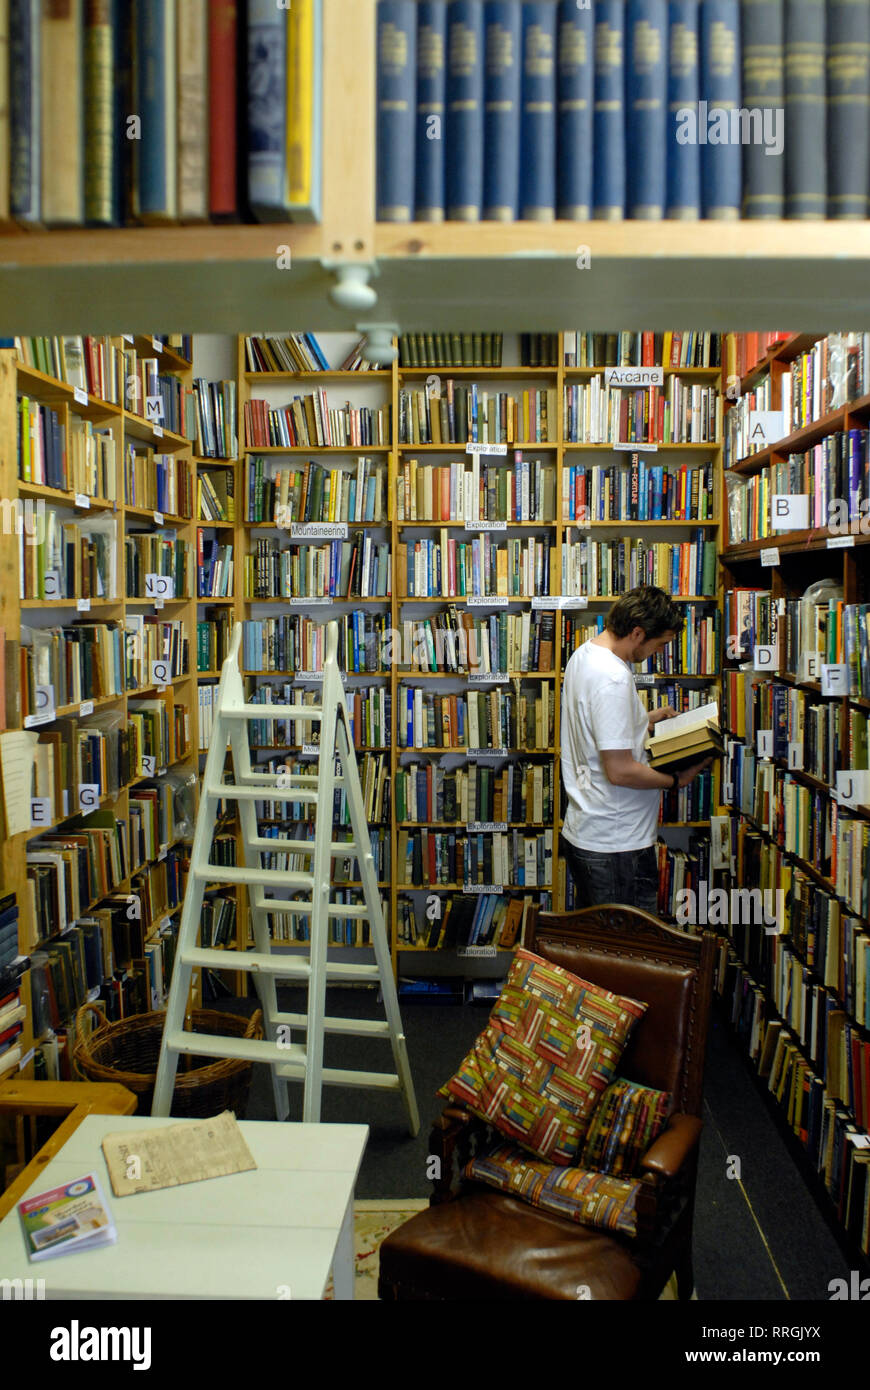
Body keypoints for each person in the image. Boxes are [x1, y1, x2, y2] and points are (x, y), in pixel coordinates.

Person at [560, 586, 712, 916]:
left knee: (602, 950)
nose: (658, 652)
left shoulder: (585, 654)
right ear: (638, 632)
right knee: (621, 956)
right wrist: (675, 781)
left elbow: (593, 726)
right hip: (615, 842)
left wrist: (644, 719)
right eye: (660, 644)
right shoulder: (612, 677)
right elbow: (620, 770)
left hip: (590, 830)